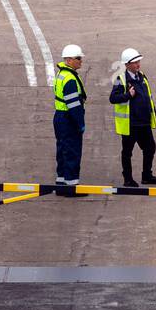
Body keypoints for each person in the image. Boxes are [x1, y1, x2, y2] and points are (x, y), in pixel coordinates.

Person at [109, 48, 156, 188]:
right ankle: (128, 179)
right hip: (131, 124)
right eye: (134, 62)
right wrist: (128, 95)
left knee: (150, 148)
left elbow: (148, 97)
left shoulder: (142, 76)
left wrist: (153, 113)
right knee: (127, 152)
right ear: (126, 65)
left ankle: (147, 175)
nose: (138, 64)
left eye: (138, 61)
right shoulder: (120, 79)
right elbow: (113, 98)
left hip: (144, 122)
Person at [53, 43, 88, 196]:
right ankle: (71, 187)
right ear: (68, 60)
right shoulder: (70, 80)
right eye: (78, 58)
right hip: (68, 119)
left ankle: (61, 183)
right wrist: (80, 123)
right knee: (72, 151)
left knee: (62, 150)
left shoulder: (62, 74)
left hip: (60, 117)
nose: (81, 61)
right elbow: (74, 105)